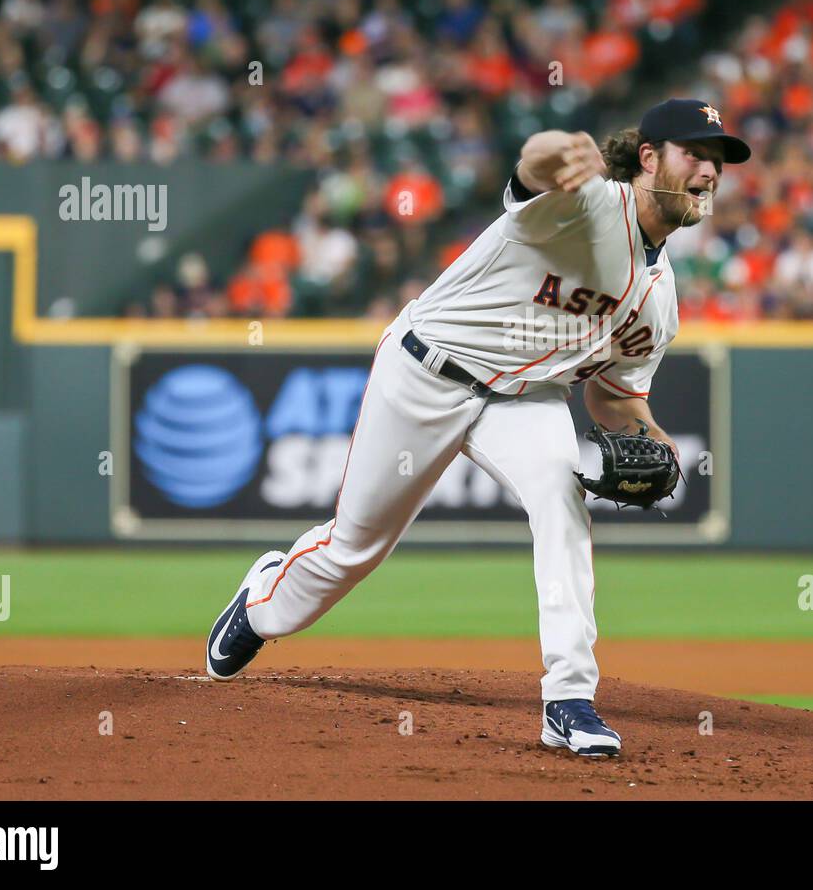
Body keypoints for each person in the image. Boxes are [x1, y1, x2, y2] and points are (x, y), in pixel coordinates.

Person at [205, 99, 749, 757]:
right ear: (650, 157)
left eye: (718, 161)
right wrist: (555, 148)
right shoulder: (585, 206)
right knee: (356, 545)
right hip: (426, 370)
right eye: (696, 154)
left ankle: (569, 701)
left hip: (523, 400)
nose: (710, 172)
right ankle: (263, 601)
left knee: (561, 499)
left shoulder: (659, 303)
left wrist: (655, 441)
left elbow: (616, 399)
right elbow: (530, 168)